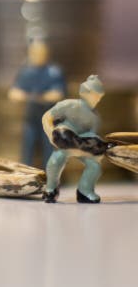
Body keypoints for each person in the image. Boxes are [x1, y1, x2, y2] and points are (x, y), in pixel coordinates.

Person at [42, 75, 108, 204]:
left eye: (100, 97)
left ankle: (85, 190)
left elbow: (92, 136)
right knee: (56, 160)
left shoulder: (95, 117)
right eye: (95, 95)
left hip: (81, 144)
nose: (97, 100)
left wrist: (93, 149)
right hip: (64, 140)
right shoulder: (69, 104)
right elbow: (47, 117)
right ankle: (50, 188)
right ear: (85, 92)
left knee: (94, 166)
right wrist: (51, 134)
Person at [8, 38, 66, 166]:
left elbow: (57, 94)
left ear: (46, 53)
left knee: (49, 147)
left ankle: (49, 177)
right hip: (31, 118)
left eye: (40, 52)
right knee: (27, 146)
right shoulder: (26, 71)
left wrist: (39, 97)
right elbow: (13, 93)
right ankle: (26, 173)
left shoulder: (53, 72)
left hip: (49, 119)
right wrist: (24, 95)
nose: (37, 55)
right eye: (34, 52)